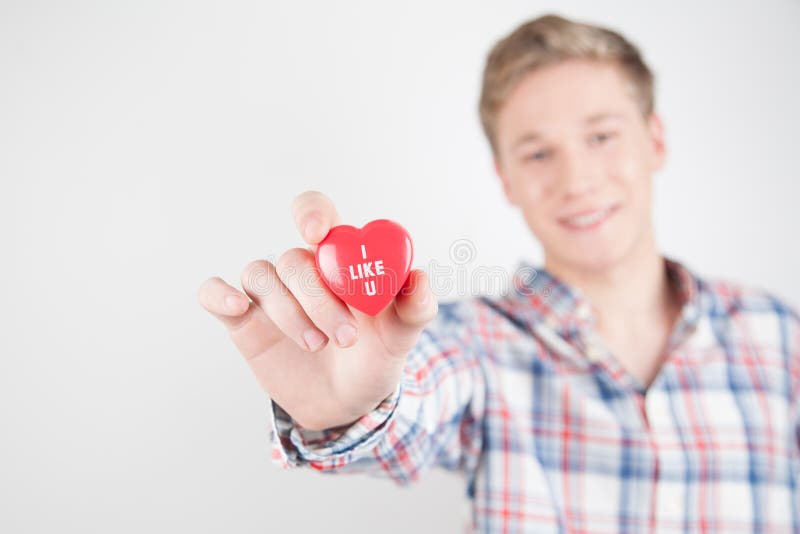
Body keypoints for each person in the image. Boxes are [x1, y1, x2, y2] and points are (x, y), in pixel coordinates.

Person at [198, 13, 800, 533]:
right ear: (505, 178)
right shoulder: (472, 345)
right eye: (538, 153)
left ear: (656, 140)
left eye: (601, 136)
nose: (576, 180)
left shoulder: (779, 336)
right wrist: (343, 406)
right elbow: (414, 396)